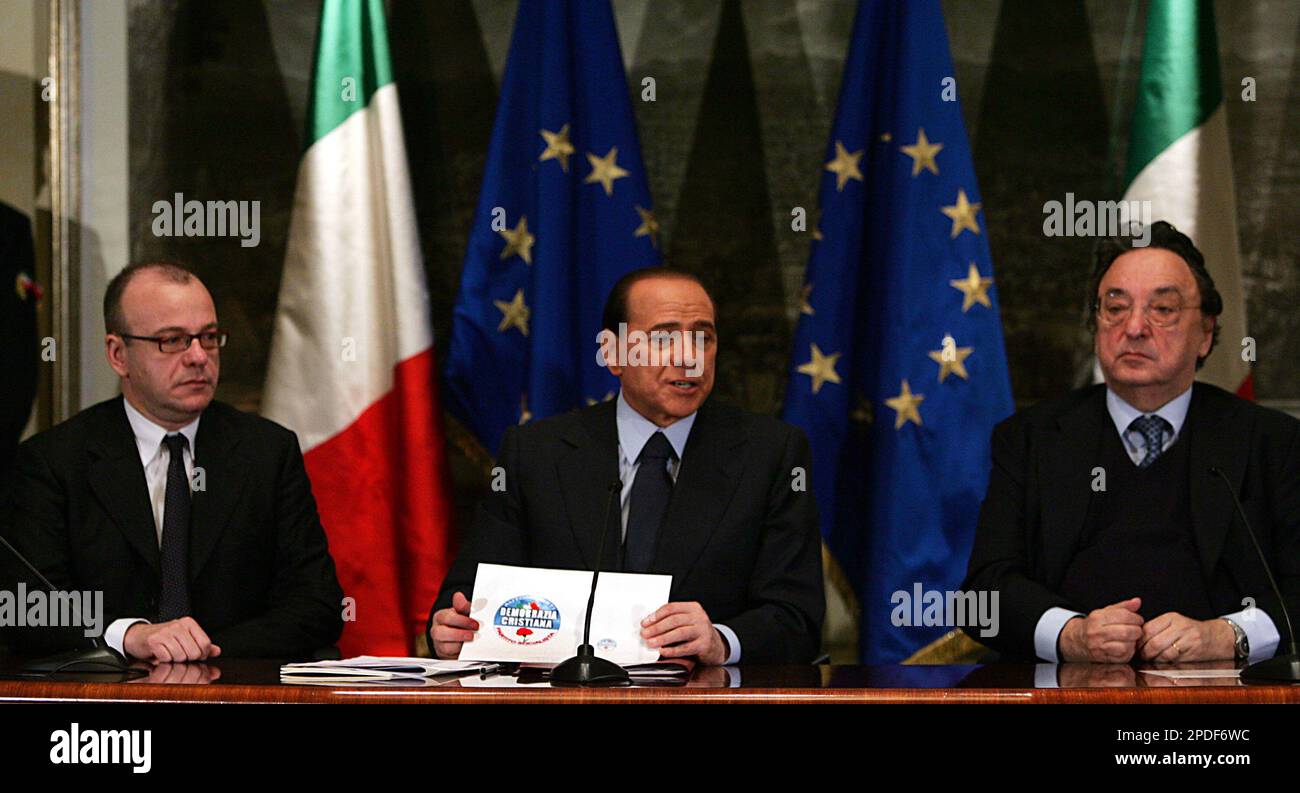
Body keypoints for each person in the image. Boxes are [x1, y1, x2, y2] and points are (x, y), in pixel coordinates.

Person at [429, 268, 824, 664]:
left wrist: (721, 641)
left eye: (703, 337)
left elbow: (797, 619)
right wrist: (450, 630)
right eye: (664, 337)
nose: (689, 357)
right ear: (614, 354)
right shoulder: (535, 453)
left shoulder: (771, 454)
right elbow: (468, 595)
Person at [964, 221, 1299, 664]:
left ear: (1205, 333)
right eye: (1115, 307)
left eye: (1162, 309)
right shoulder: (1031, 440)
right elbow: (982, 596)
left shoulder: (1271, 442)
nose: (1135, 327)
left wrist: (1230, 636)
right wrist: (1070, 633)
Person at [2, 261, 343, 662]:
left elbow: (317, 606)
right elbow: (28, 607)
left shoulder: (267, 452)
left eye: (209, 338)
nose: (198, 356)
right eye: (173, 340)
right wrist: (130, 635)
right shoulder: (53, 461)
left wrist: (199, 651)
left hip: (236, 688)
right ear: (118, 354)